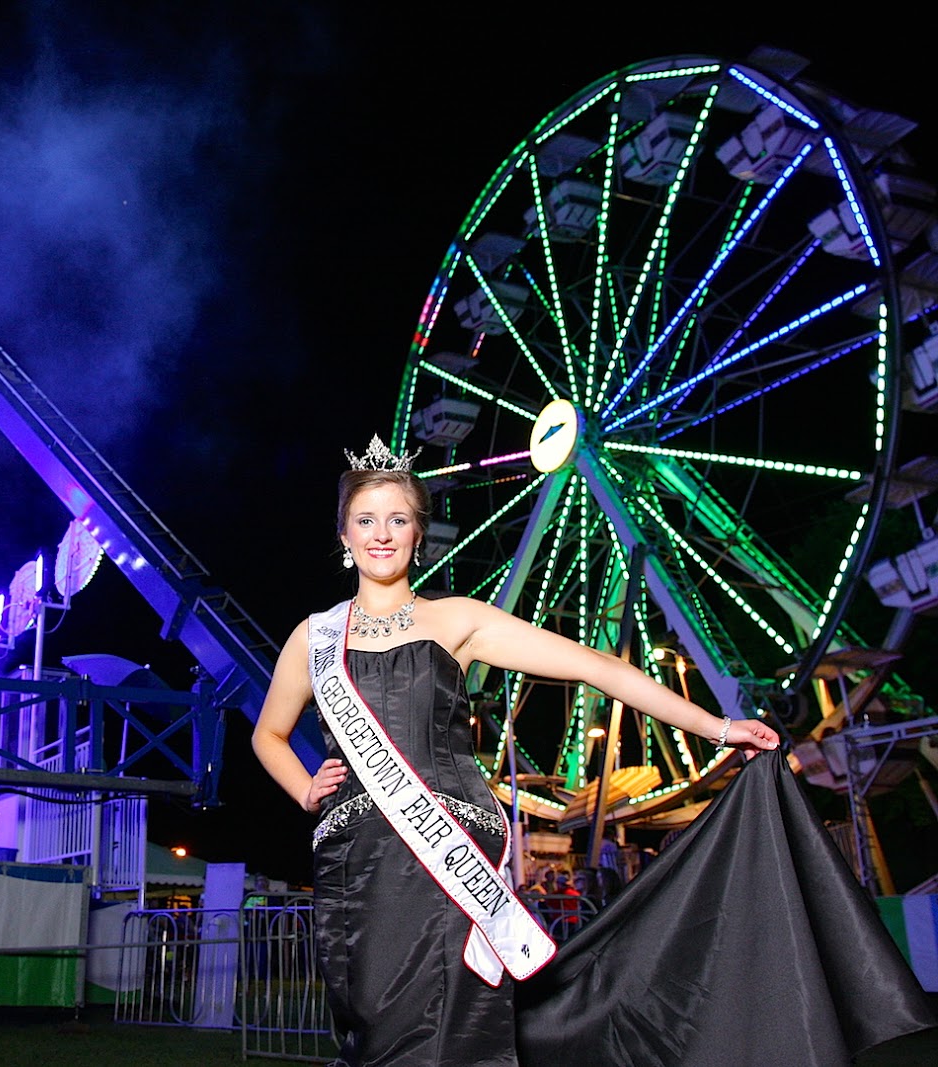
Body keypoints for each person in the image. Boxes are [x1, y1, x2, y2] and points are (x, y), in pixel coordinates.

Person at [251, 436, 934, 1066]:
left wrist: (717, 727)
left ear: (418, 534)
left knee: (444, 1023)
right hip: (355, 860)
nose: (382, 533)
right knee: (371, 1017)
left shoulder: (457, 618)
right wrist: (306, 786)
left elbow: (595, 666)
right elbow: (268, 733)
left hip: (448, 846)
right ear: (344, 535)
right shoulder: (313, 638)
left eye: (398, 519)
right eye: (366, 519)